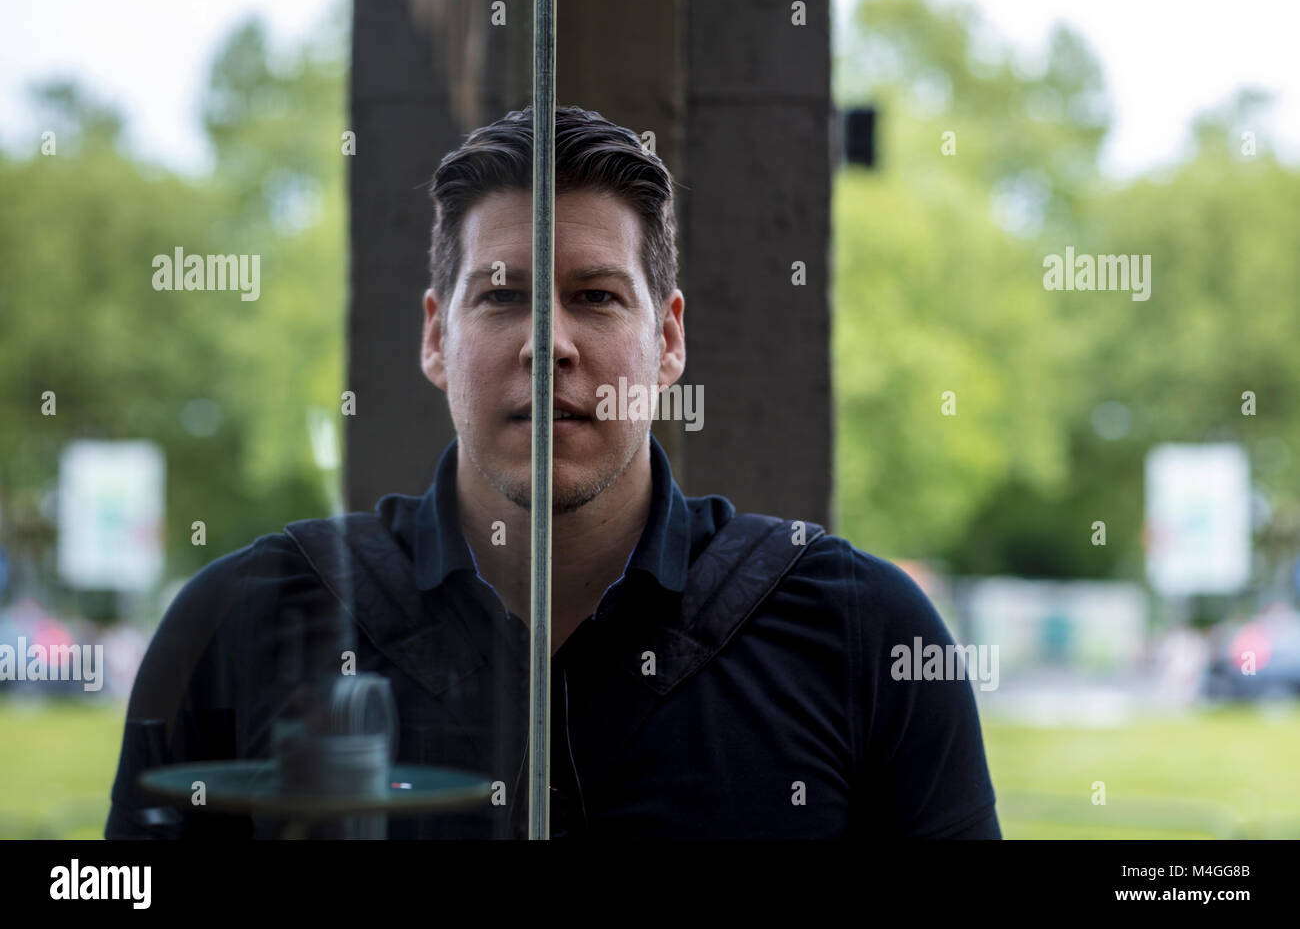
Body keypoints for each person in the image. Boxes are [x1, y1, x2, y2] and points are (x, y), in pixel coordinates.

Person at [106, 105, 1000, 839]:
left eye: (597, 296)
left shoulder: (860, 636)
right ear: (433, 336)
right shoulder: (239, 626)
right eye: (500, 295)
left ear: (669, 338)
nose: (548, 344)